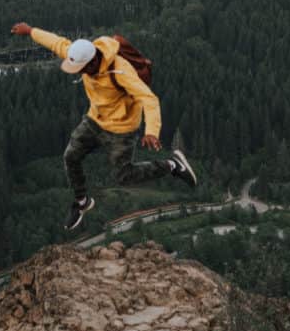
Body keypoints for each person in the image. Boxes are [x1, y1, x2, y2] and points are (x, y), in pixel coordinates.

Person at [11, 22, 197, 230]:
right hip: (95, 120)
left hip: (121, 129)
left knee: (123, 176)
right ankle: (82, 203)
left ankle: (172, 165)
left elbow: (149, 98)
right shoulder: (81, 54)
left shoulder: (120, 70)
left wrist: (152, 131)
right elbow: (57, 43)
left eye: (82, 70)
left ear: (92, 63)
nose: (80, 73)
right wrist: (30, 31)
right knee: (71, 156)